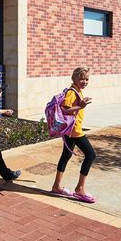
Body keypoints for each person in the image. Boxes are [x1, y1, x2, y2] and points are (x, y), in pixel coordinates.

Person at [50, 67, 97, 203]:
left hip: (69, 130)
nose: (84, 81)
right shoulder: (71, 92)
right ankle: (80, 189)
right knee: (91, 155)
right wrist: (80, 106)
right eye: (81, 78)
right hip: (74, 131)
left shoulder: (77, 91)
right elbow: (64, 110)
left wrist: (81, 104)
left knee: (66, 154)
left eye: (87, 79)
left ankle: (56, 186)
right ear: (74, 79)